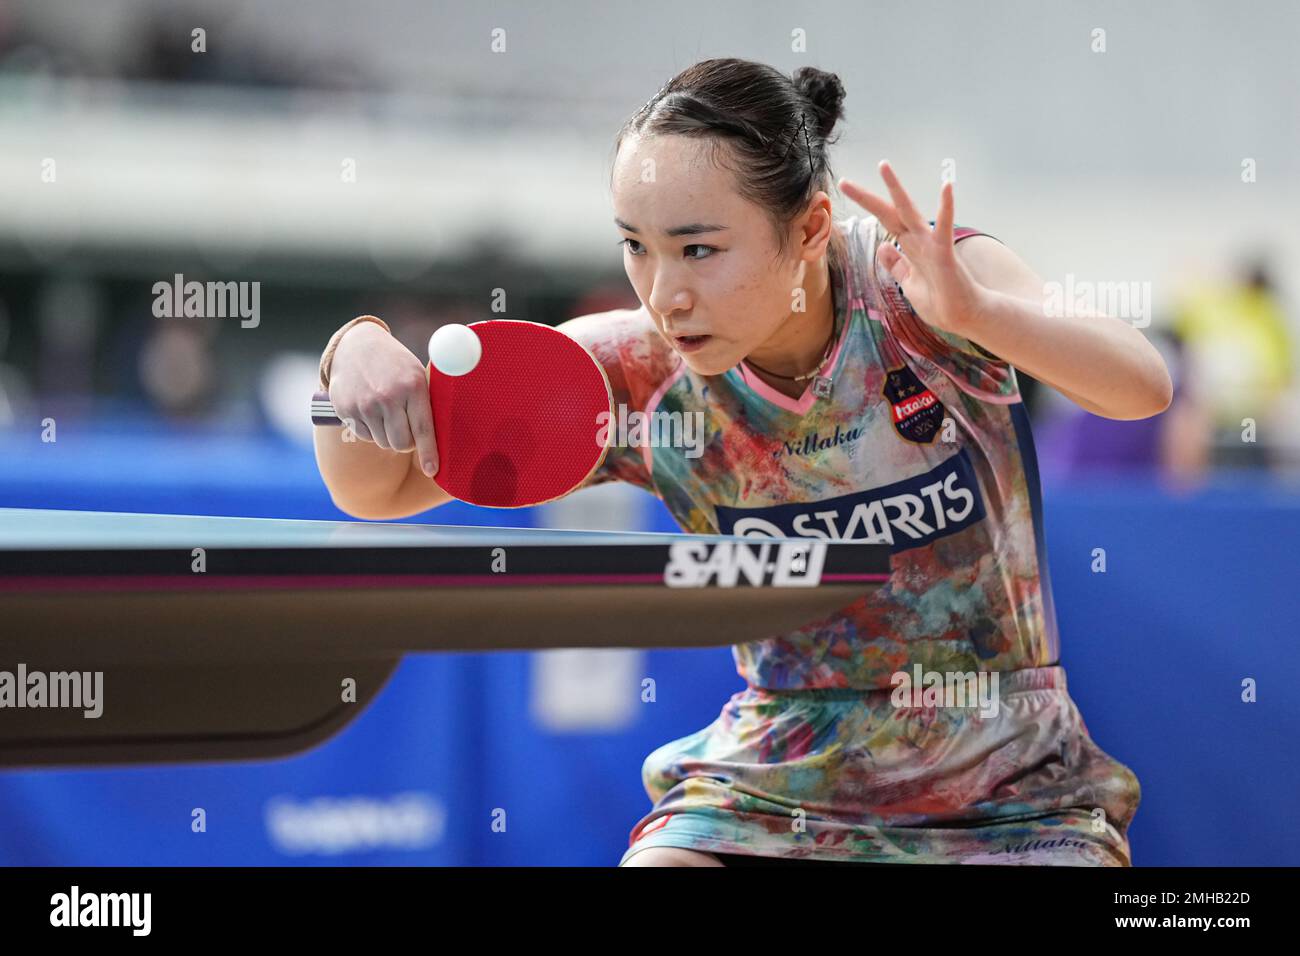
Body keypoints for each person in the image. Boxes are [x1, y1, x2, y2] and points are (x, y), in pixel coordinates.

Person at [313, 58, 1173, 867]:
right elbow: (377, 487)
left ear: (808, 228)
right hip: (776, 772)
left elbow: (1140, 384)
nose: (663, 291)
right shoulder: (630, 376)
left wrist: (983, 314)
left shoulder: (921, 289)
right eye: (635, 247)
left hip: (1010, 779)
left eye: (698, 249)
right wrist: (349, 357)